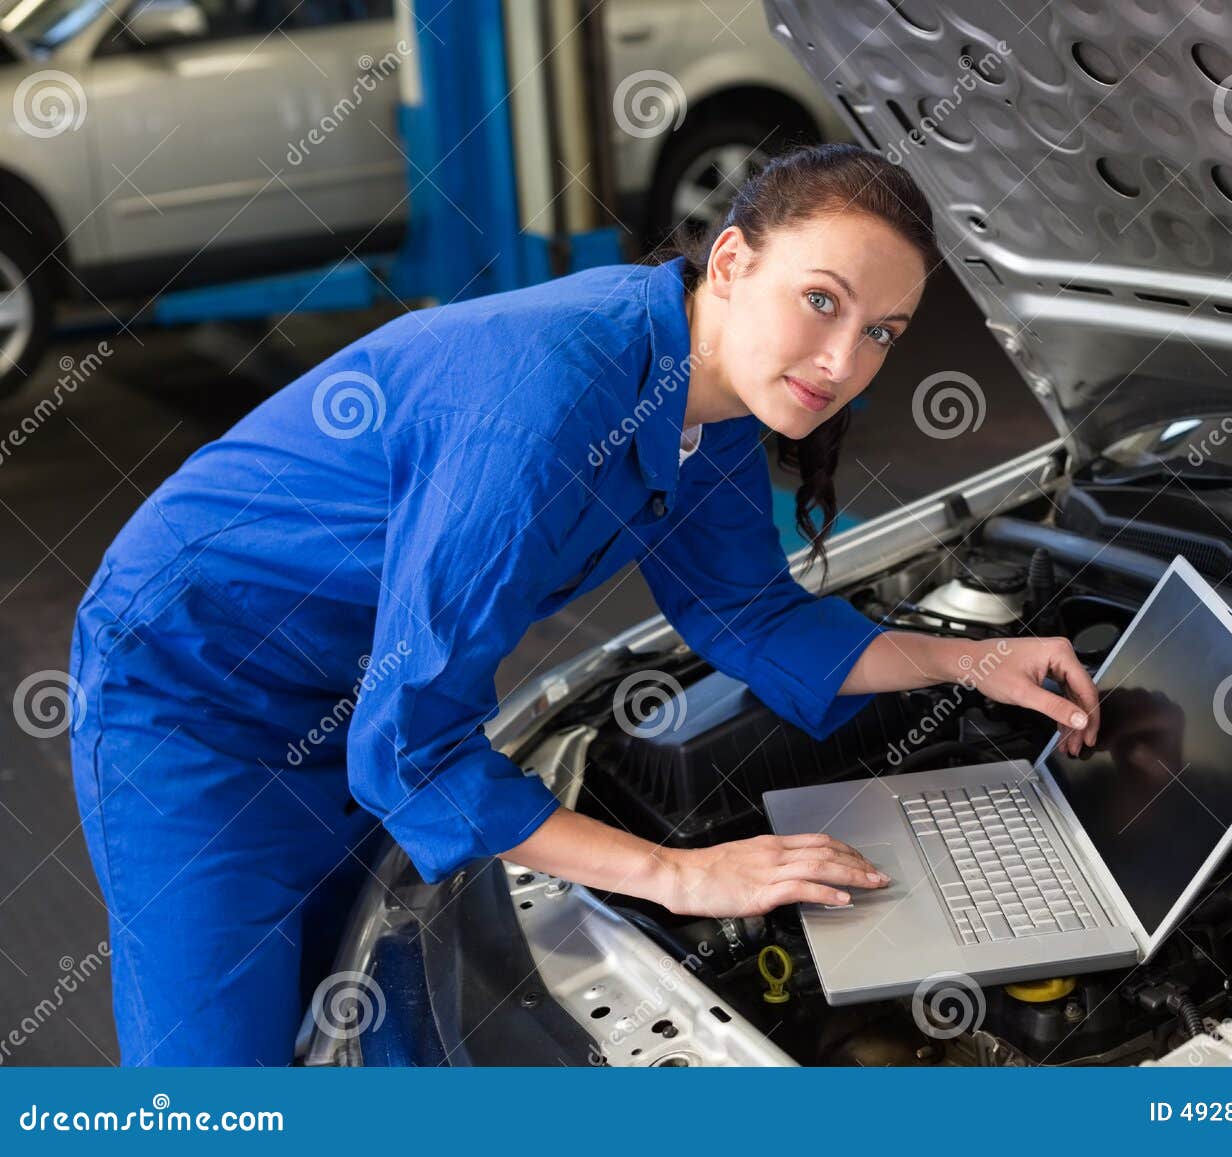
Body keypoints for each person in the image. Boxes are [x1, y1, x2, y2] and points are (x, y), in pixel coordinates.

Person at [67, 143, 1101, 1065]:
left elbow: (750, 613)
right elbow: (414, 754)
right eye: (821, 301)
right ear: (733, 263)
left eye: (881, 330)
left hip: (362, 686)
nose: (843, 363)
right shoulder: (546, 405)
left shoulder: (715, 403)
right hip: (193, 687)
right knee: (217, 1073)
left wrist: (967, 660)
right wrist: (679, 874)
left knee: (360, 1001)